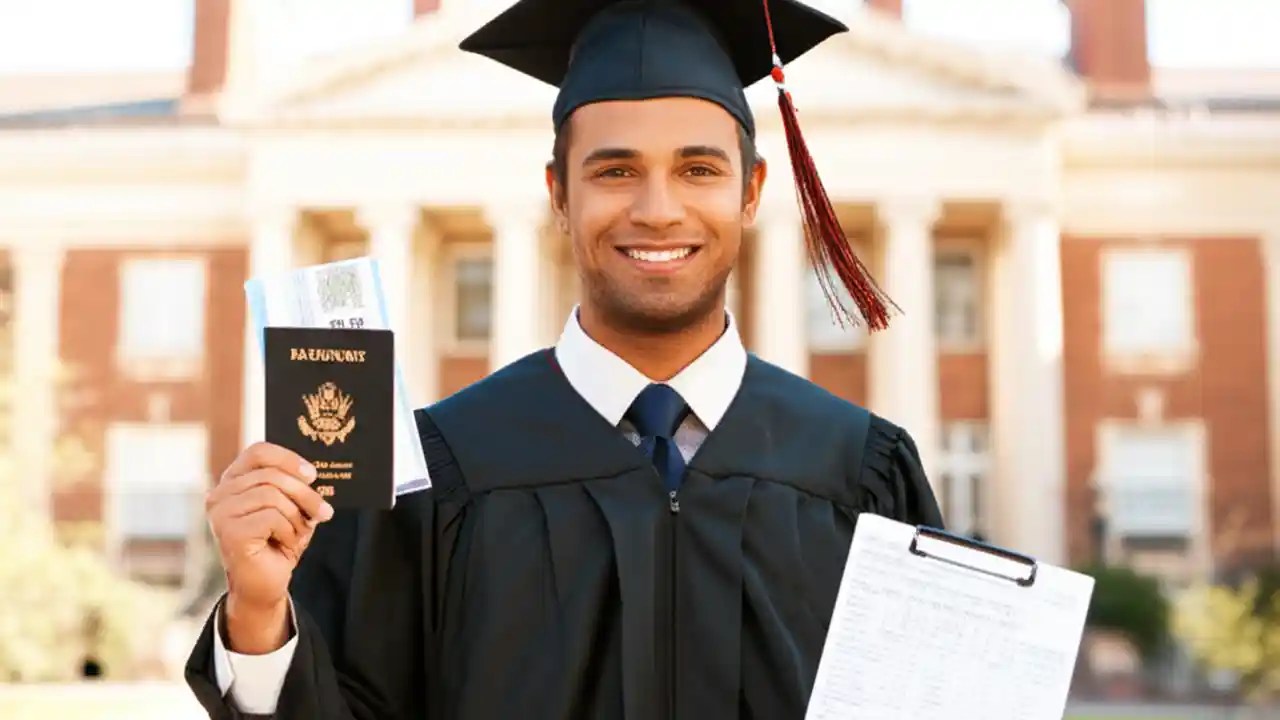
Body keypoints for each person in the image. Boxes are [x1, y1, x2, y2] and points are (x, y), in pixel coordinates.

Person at [184, 0, 944, 717]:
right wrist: (257, 612)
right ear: (558, 193)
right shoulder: (435, 477)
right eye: (615, 170)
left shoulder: (860, 472)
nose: (657, 208)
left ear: (750, 192)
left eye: (698, 170)